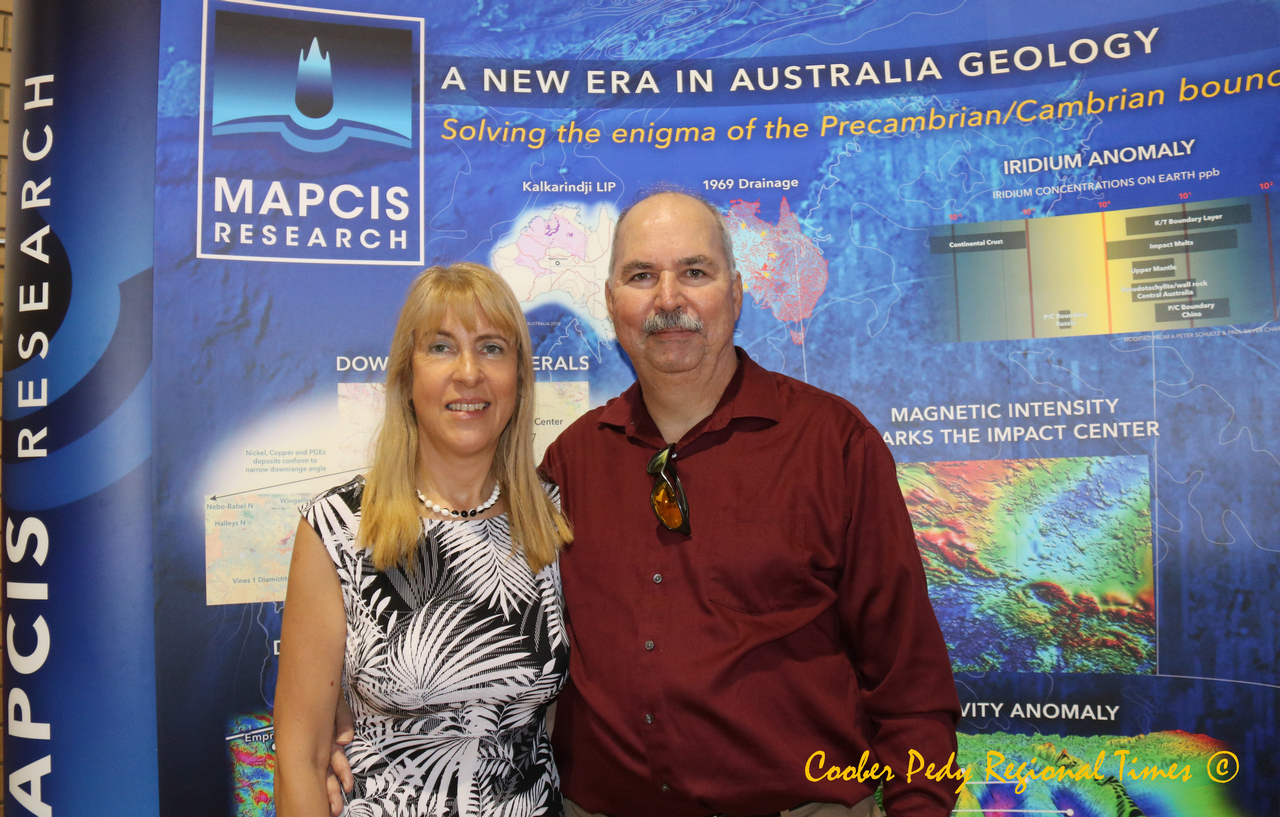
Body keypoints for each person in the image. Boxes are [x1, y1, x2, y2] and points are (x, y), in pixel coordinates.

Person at [538, 190, 961, 817]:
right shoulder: (571, 461)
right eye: (641, 276)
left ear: (736, 293)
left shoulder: (833, 445)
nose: (668, 299)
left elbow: (909, 681)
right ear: (610, 302)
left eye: (694, 272)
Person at [274, 263, 573, 817]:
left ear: (519, 379)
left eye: (491, 348)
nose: (468, 373)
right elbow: (300, 755)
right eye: (441, 347)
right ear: (408, 378)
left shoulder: (553, 519)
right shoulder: (338, 528)